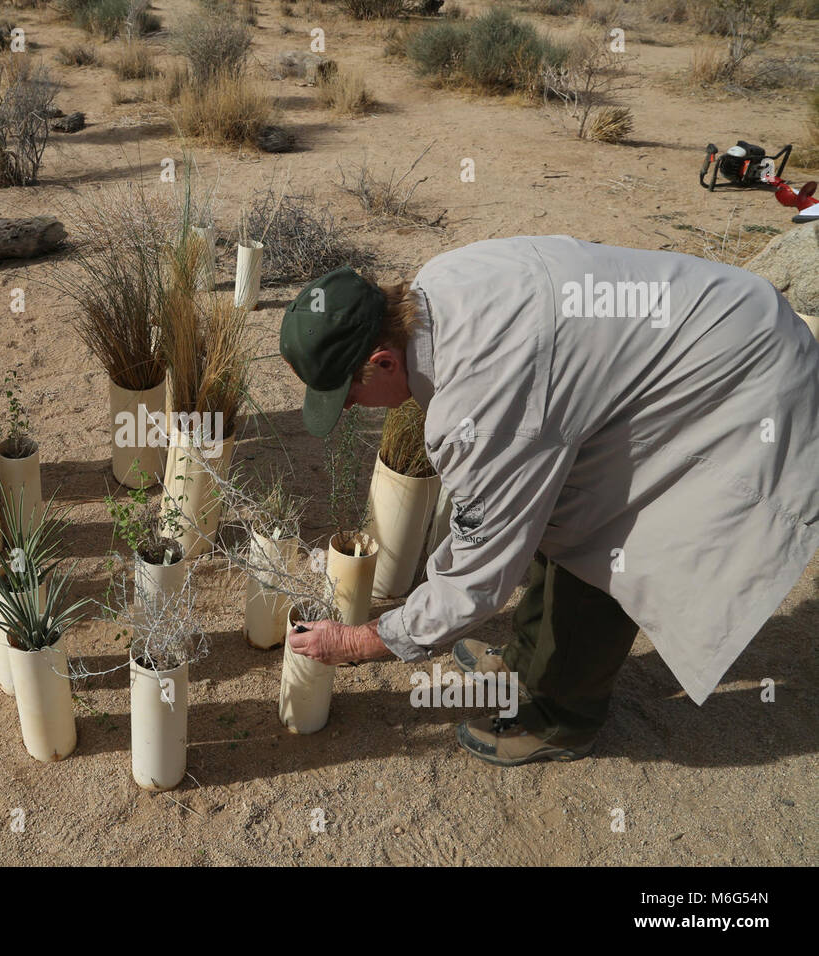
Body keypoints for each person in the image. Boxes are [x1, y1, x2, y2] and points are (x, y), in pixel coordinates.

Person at [279, 238, 819, 765]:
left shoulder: (484, 401)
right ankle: (528, 663)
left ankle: (562, 717)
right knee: (554, 504)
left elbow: (478, 574)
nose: (349, 409)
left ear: (383, 361)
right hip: (718, 321)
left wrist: (364, 639)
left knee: (613, 535)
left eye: (347, 394)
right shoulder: (436, 287)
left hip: (742, 381)